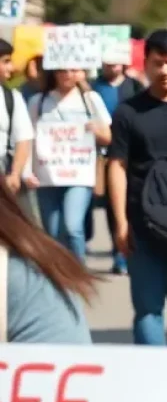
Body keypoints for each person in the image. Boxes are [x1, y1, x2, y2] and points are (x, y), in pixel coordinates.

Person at [107, 30, 167, 347]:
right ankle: (154, 387)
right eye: (158, 63)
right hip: (143, 228)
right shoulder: (128, 111)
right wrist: (121, 223)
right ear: (146, 65)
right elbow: (117, 166)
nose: (165, 70)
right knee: (148, 311)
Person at [27, 68, 111, 261]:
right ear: (54, 72)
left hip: (79, 175)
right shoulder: (38, 102)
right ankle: (59, 278)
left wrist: (95, 130)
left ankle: (78, 275)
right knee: (53, 232)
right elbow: (28, 139)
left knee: (73, 227)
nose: (68, 75)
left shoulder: (91, 99)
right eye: (63, 70)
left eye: (74, 70)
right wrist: (26, 172)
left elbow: (107, 137)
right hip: (47, 176)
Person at [0, 186, 93, 344]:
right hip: (47, 181)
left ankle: (76, 262)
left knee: (72, 227)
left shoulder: (25, 280)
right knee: (56, 227)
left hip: (74, 176)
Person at [92, 61, 144, 275]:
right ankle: (118, 253)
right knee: (113, 207)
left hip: (133, 154)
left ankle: (132, 252)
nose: (111, 68)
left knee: (132, 205)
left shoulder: (135, 86)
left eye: (115, 63)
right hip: (106, 155)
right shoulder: (95, 88)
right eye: (107, 64)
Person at [0, 38, 34, 205]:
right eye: (5, 61)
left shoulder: (12, 97)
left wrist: (15, 173)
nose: (11, 67)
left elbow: (23, 138)